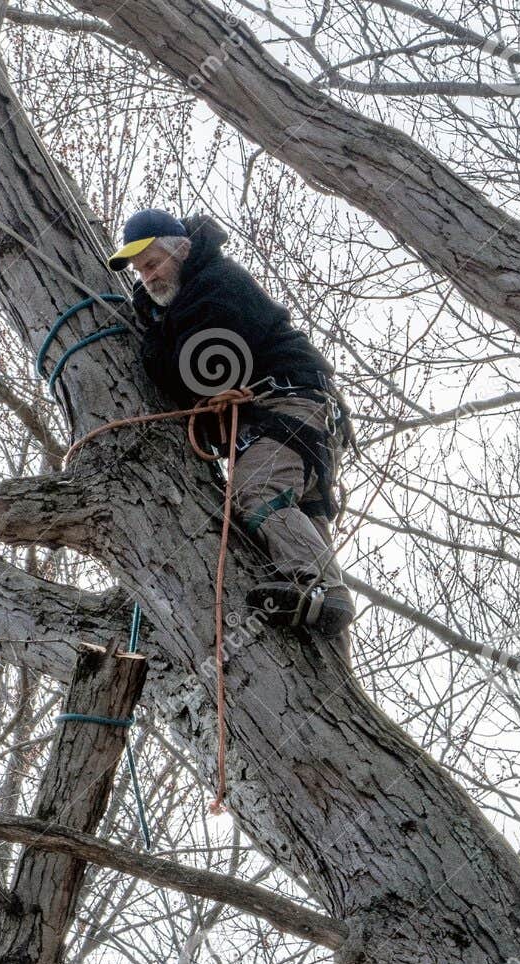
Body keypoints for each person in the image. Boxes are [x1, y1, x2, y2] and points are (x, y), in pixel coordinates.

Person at [106, 208, 357, 641]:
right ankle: (322, 619)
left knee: (257, 488)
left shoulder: (216, 283)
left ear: (181, 251)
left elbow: (188, 367)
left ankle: (322, 590)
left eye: (152, 263)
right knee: (299, 522)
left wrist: (150, 333)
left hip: (289, 405)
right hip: (298, 420)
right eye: (139, 271)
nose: (146, 277)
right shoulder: (189, 296)